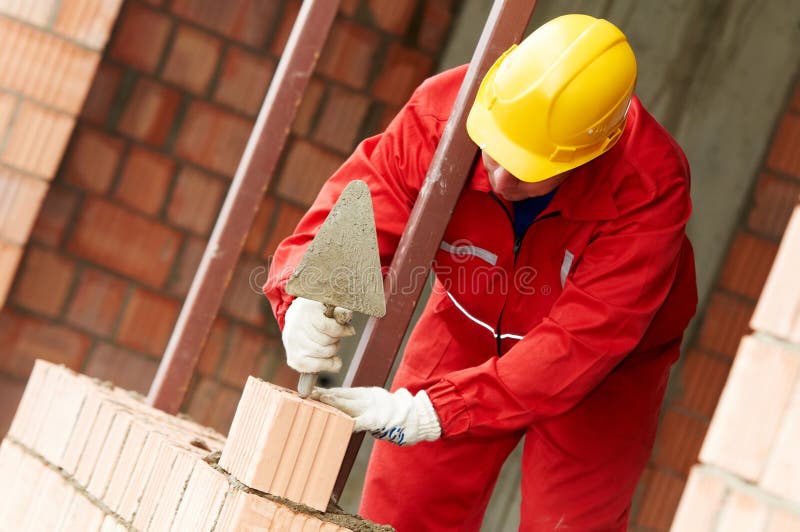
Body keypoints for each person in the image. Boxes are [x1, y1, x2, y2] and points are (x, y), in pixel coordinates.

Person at [264, 13, 697, 532]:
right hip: (465, 320)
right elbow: (363, 203)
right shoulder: (441, 114)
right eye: (497, 149)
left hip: (605, 369)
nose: (501, 176)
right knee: (403, 509)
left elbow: (581, 344)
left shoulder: (649, 188)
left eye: (531, 168)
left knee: (569, 524)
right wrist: (303, 297)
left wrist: (436, 411)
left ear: (591, 155)